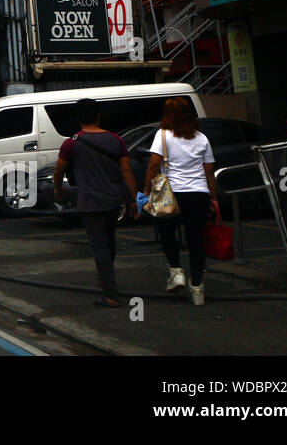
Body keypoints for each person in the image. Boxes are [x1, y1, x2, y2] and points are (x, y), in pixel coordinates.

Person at [54, 97, 139, 308]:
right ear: (98, 116)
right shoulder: (115, 140)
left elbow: (59, 171)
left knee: (99, 246)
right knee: (109, 243)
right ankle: (105, 278)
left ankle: (110, 293)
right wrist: (134, 199)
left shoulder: (71, 142)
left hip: (90, 202)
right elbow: (127, 172)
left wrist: (58, 190)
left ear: (78, 119)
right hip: (114, 201)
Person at [145, 97, 220, 307]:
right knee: (196, 240)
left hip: (171, 194)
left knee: (167, 231)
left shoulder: (162, 136)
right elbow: (209, 170)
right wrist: (213, 197)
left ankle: (176, 270)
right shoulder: (202, 138)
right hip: (198, 194)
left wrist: (145, 189)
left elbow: (153, 164)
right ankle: (197, 287)